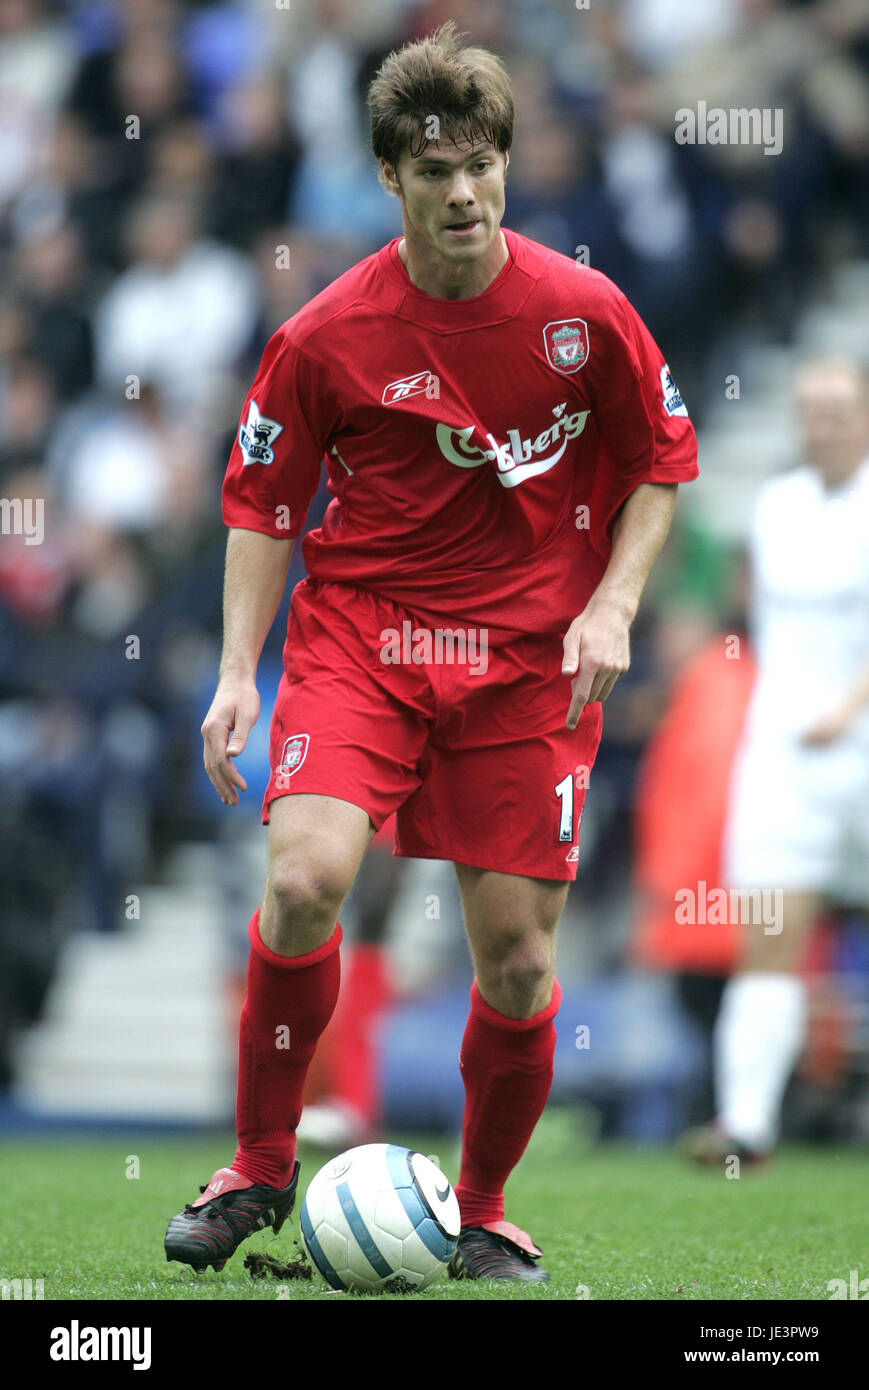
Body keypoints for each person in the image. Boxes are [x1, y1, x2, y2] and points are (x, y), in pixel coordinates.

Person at [164, 22, 697, 1283]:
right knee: (303, 877)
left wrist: (613, 600)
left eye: (481, 164)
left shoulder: (583, 313)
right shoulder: (326, 333)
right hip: (363, 644)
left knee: (514, 959)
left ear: (505, 168)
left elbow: (661, 465)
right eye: (432, 168)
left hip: (524, 663)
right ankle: (255, 1163)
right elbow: (260, 499)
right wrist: (241, 671)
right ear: (390, 180)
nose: (463, 190)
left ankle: (485, 1205)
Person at [688, 356, 869, 1166]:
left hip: (857, 745)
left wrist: (848, 704)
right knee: (767, 934)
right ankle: (745, 1126)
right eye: (809, 407)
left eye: (836, 406)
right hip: (787, 759)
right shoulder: (775, 506)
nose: (821, 421)